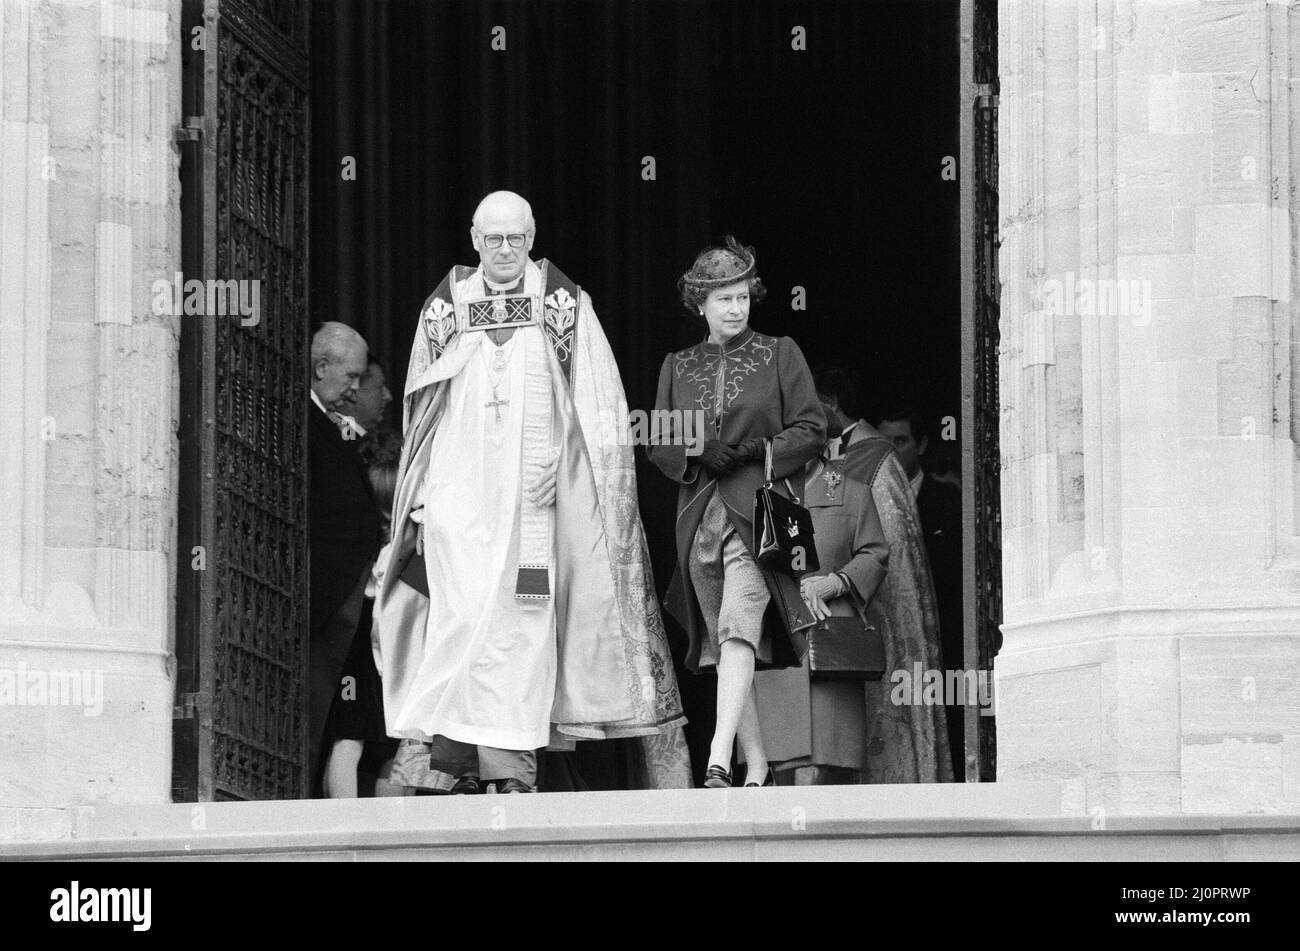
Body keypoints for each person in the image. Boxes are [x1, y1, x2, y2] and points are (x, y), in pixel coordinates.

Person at [374, 190, 689, 794]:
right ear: (474, 238)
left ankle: (511, 773)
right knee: (460, 622)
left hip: (533, 506)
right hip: (461, 502)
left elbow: (598, 410)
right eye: (493, 238)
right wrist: (426, 491)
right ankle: (459, 766)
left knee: (520, 629)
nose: (504, 249)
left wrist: (568, 466)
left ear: (532, 237)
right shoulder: (447, 308)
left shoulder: (563, 305)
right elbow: (424, 410)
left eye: (515, 237)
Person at [649, 237, 825, 789]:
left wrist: (759, 451)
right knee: (727, 645)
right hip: (698, 519)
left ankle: (718, 754)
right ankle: (758, 765)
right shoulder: (678, 365)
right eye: (723, 298)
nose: (735, 307)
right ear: (699, 304)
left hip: (758, 513)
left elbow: (812, 428)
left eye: (742, 297)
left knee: (738, 628)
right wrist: (697, 450)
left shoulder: (780, 352)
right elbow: (657, 439)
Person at [813, 366, 952, 783]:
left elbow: (893, 551)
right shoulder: (832, 453)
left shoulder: (875, 456)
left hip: (884, 614)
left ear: (831, 403)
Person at [750, 407, 890, 784]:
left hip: (830, 638)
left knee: (830, 766)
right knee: (780, 764)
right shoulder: (760, 496)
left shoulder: (851, 492)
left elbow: (875, 552)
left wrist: (838, 582)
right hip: (780, 639)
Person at [308, 322, 383, 793]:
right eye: (351, 376)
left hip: (345, 592)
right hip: (326, 592)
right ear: (321, 368)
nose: (356, 388)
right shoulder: (306, 420)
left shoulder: (332, 425)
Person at [877, 403, 965, 778]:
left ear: (923, 444)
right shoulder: (871, 499)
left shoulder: (948, 501)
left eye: (901, 440)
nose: (892, 450)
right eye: (885, 442)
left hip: (948, 636)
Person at [322, 429, 402, 797]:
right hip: (387, 646)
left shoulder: (364, 541)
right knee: (391, 745)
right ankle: (387, 836)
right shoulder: (405, 547)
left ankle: (345, 825)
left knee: (349, 737)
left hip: (358, 639)